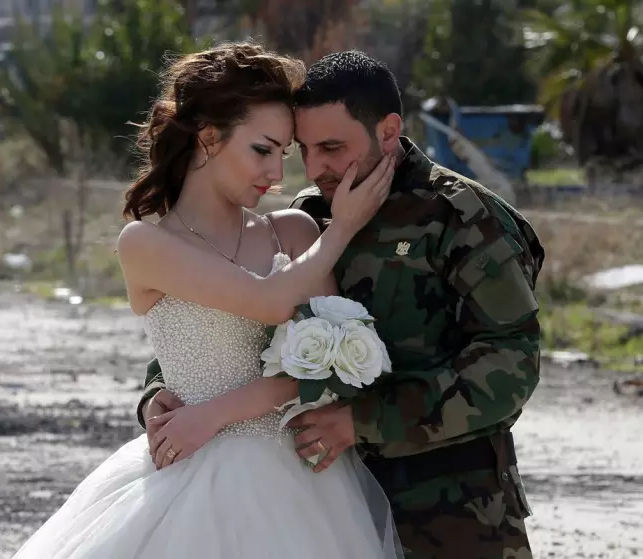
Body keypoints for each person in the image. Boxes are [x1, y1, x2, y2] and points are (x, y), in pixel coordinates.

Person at [138, 51, 545, 559]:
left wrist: (364, 421)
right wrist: (161, 391)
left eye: (332, 147)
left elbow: (512, 362)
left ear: (389, 131)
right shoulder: (308, 215)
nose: (315, 168)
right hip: (318, 497)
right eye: (303, 149)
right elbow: (234, 325)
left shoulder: (462, 216)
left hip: (451, 508)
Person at [10, 43, 405, 559]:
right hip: (184, 476)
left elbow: (328, 364)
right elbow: (265, 302)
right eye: (262, 150)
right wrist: (344, 228)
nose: (276, 175)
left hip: (299, 485)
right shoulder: (147, 244)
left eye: (283, 154)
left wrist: (215, 414)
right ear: (209, 136)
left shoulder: (294, 231)